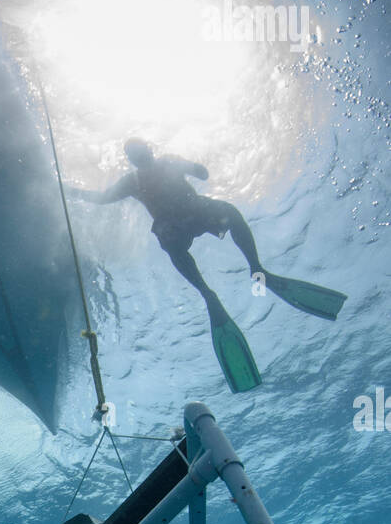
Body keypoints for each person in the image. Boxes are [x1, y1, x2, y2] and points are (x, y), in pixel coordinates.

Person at [68, 139, 346, 392]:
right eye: (134, 153)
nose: (140, 156)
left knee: (225, 216)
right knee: (175, 239)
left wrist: (191, 167)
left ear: (146, 151)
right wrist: (69, 191)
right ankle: (214, 289)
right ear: (135, 158)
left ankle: (252, 270)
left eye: (139, 151)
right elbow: (102, 197)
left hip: (193, 213)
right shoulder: (137, 178)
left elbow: (202, 173)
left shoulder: (161, 165)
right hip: (179, 222)